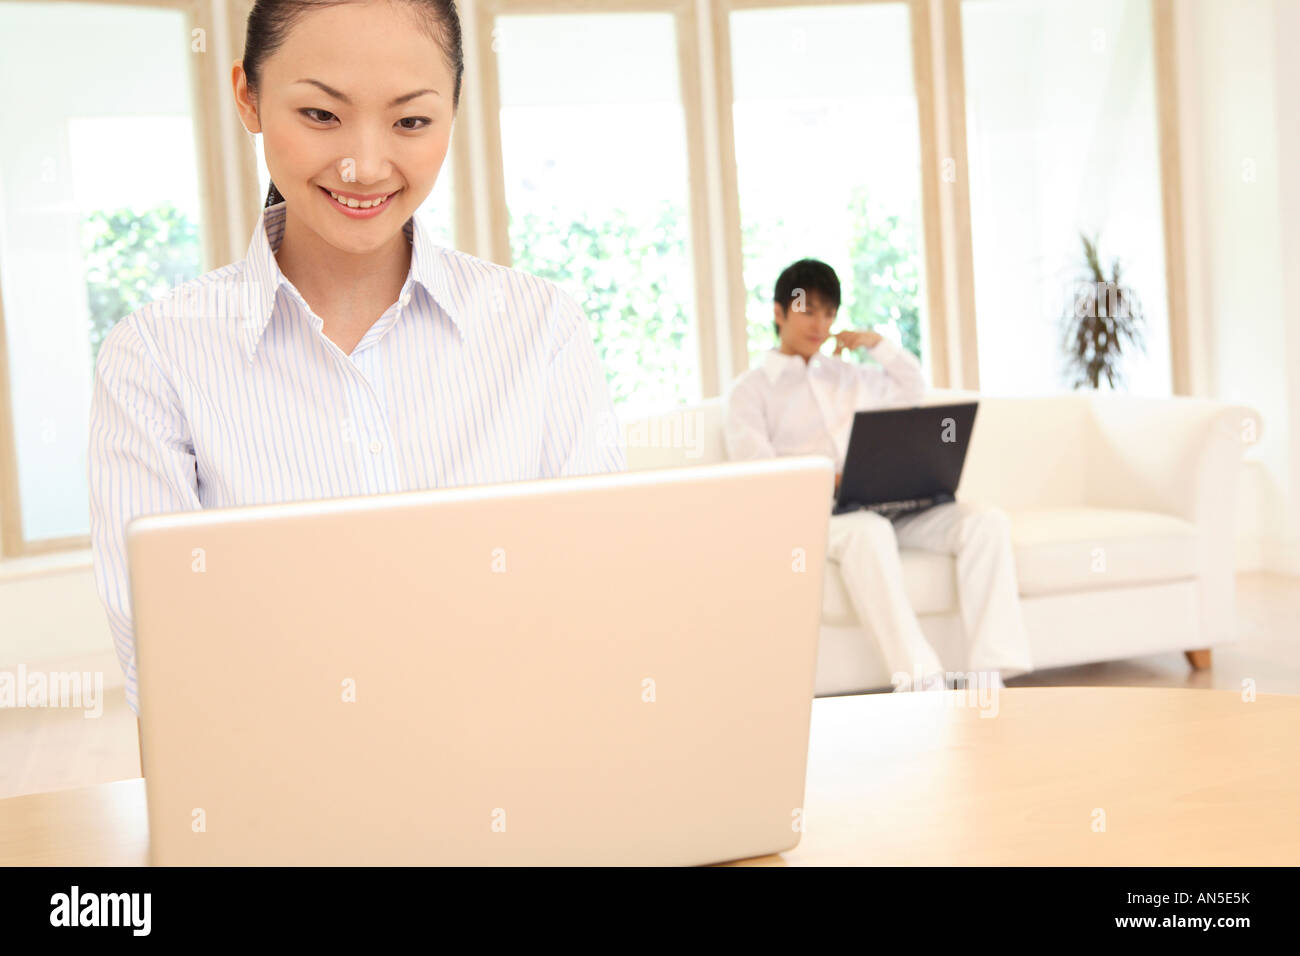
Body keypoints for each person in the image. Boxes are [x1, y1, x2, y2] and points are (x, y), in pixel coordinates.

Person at [88, 0, 624, 719]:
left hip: (517, 785)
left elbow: (590, 612)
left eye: (410, 121)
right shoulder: (154, 359)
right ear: (248, 95)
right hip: (277, 806)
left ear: (454, 110)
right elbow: (172, 670)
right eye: (320, 115)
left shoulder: (542, 331)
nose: (365, 166)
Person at [722, 258, 1031, 691]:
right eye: (807, 310)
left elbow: (912, 389)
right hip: (822, 516)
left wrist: (876, 343)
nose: (820, 323)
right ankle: (923, 684)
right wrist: (828, 478)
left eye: (829, 313)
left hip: (889, 503)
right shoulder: (750, 391)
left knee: (985, 522)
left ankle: (990, 675)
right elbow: (758, 470)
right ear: (778, 312)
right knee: (867, 532)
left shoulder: (849, 376)